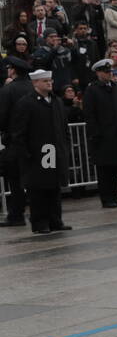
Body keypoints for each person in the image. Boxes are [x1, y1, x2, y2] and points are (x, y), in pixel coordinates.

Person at [11, 69, 72, 234]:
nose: (49, 83)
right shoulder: (26, 103)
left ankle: (55, 220)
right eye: (45, 81)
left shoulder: (56, 101)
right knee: (37, 190)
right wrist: (26, 154)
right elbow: (18, 132)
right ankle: (40, 223)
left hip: (54, 152)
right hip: (36, 155)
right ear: (35, 83)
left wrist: (65, 147)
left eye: (50, 81)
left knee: (54, 187)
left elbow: (63, 126)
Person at [81, 58, 117, 207]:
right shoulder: (92, 89)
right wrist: (95, 133)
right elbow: (89, 114)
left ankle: (114, 195)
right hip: (102, 136)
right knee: (104, 169)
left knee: (115, 167)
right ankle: (106, 198)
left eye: (110, 71)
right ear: (98, 73)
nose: (109, 74)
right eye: (105, 71)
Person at [0, 57, 36, 225]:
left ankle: (16, 215)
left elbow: (2, 117)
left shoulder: (8, 90)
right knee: (35, 179)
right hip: (35, 140)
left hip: (14, 141)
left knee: (15, 180)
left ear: (12, 70)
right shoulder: (33, 87)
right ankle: (38, 213)